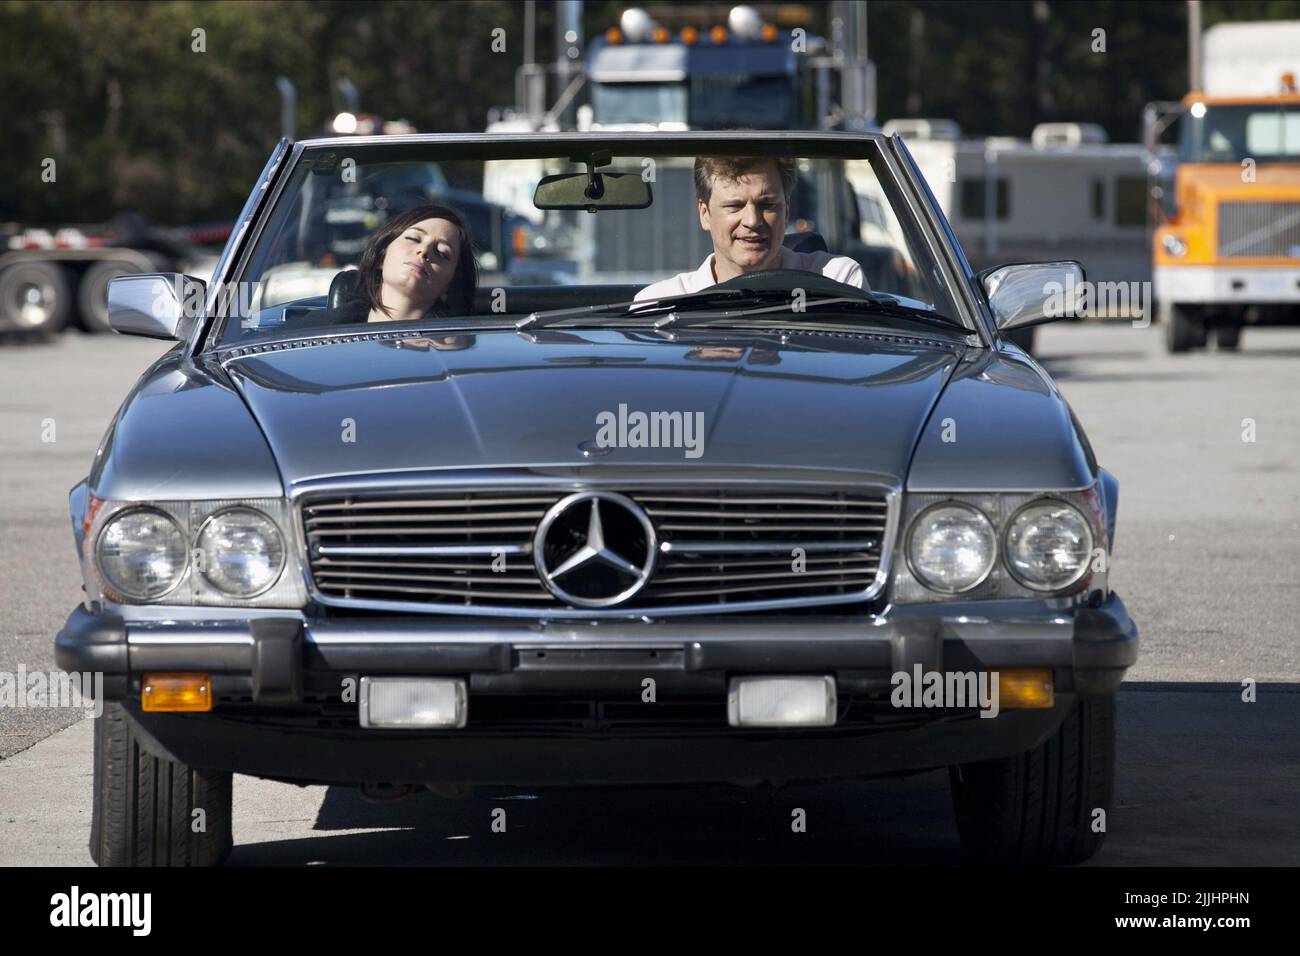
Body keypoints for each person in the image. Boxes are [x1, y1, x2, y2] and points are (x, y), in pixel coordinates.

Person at [634, 156, 864, 301]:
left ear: (786, 212)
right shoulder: (660, 303)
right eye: (734, 206)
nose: (752, 221)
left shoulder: (837, 281)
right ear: (705, 214)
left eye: (767, 205)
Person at [318, 203, 478, 325]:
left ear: (450, 284)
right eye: (413, 239)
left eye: (442, 253)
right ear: (381, 257)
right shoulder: (307, 337)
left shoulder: (457, 355)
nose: (424, 250)